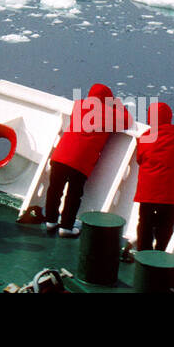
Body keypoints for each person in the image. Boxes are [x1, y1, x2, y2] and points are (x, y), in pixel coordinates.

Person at [44, 83, 131, 237]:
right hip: (80, 162)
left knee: (54, 189)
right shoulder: (109, 114)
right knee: (74, 195)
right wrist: (116, 105)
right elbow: (127, 121)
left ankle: (50, 221)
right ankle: (66, 227)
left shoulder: (79, 105)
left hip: (60, 156)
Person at [133, 101, 174, 252]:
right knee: (165, 225)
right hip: (169, 192)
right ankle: (160, 255)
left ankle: (143, 253)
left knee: (145, 222)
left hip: (148, 190)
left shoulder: (145, 136)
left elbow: (140, 158)